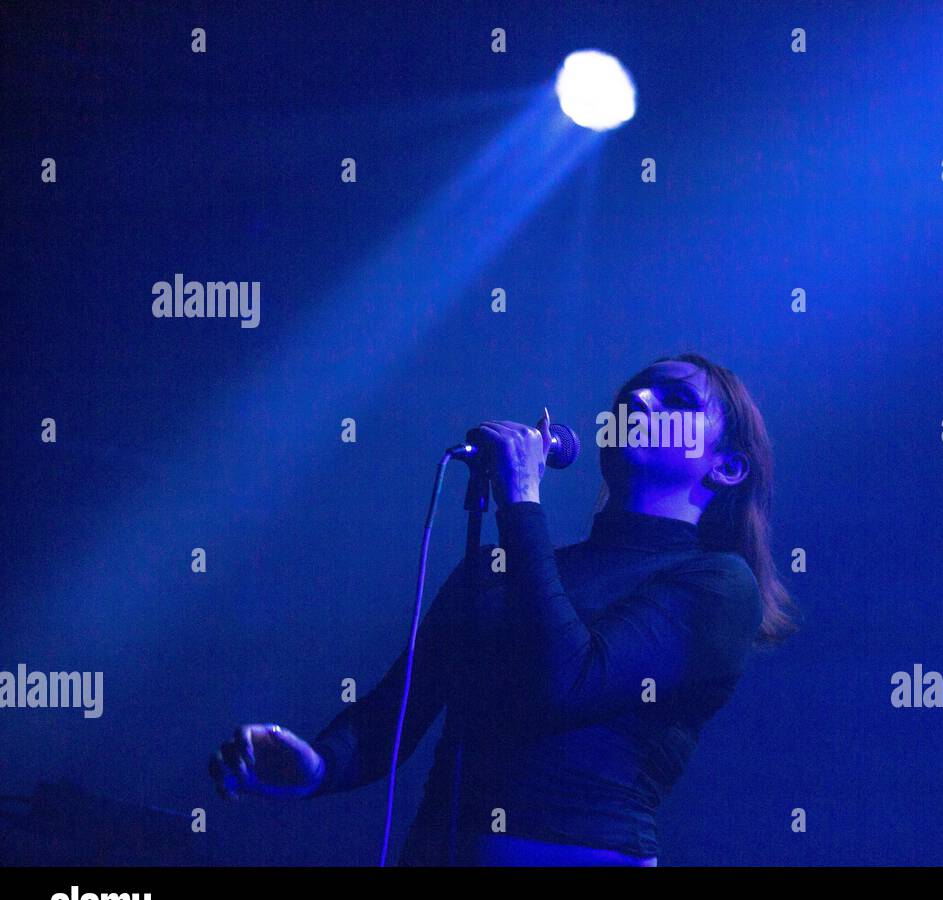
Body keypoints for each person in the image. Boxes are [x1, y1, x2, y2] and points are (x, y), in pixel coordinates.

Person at [209, 353, 797, 865]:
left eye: (676, 399)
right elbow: (394, 713)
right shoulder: (501, 566)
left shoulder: (717, 584)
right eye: (633, 390)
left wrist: (521, 501)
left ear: (727, 466)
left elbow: (567, 682)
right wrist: (317, 766)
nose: (638, 398)